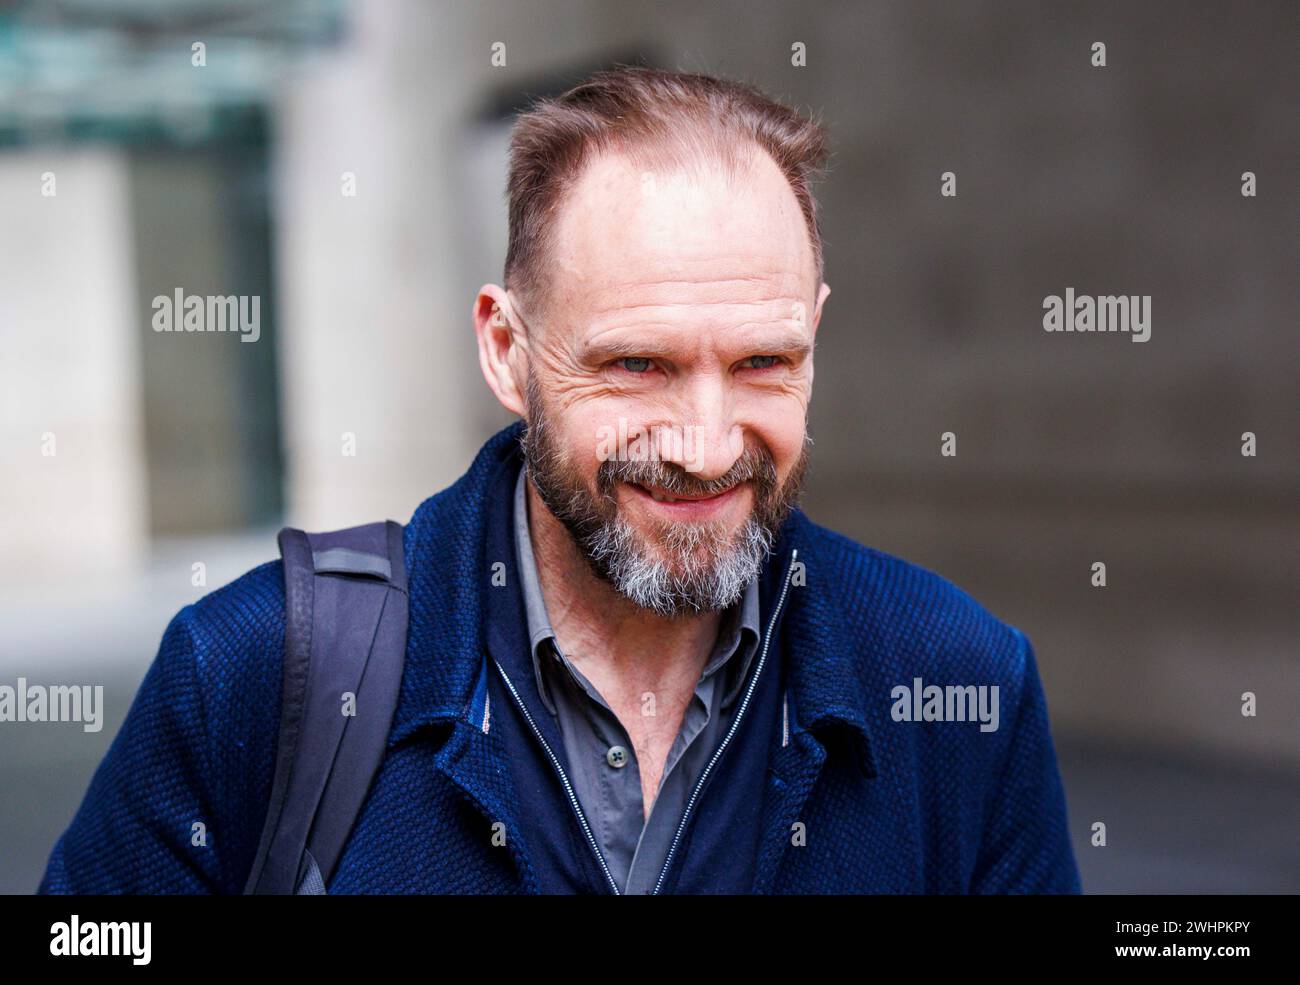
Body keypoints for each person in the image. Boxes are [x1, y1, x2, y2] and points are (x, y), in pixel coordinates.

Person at [40, 66, 1080, 894]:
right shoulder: (251, 677)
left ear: (812, 332)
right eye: (638, 365)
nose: (707, 446)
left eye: (763, 362)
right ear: (506, 350)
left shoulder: (962, 685)